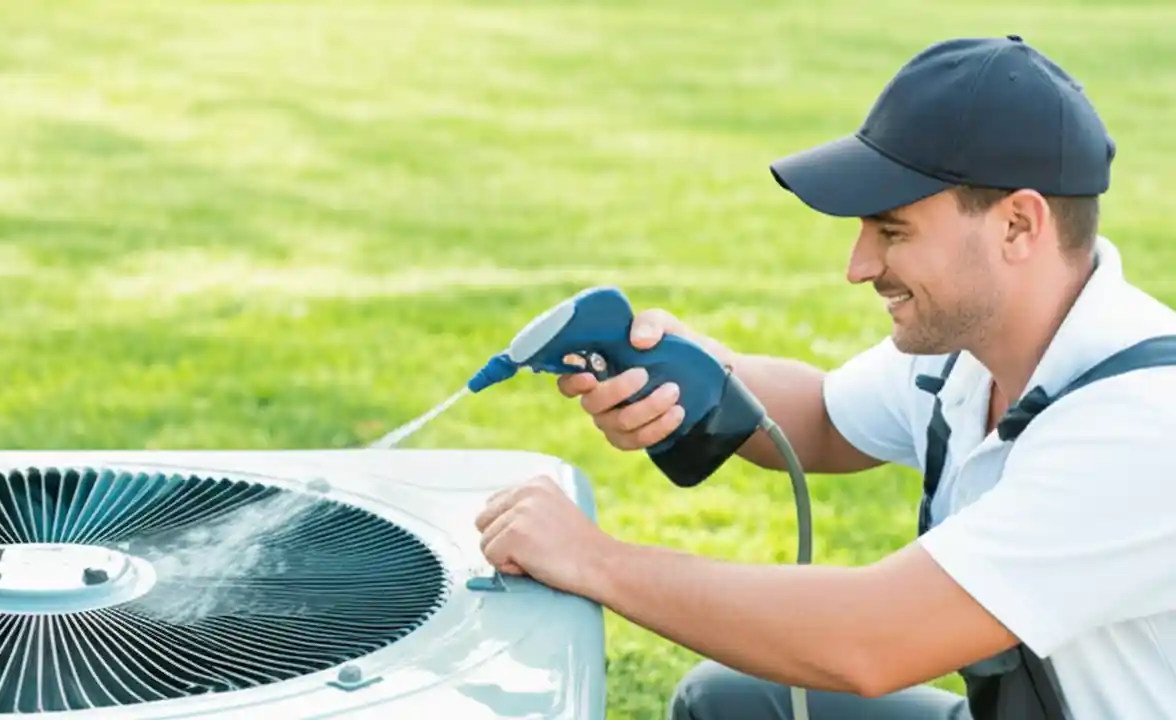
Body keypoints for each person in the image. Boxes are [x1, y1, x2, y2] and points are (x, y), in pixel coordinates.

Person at [473, 35, 1176, 720]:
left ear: (1018, 226)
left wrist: (594, 560)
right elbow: (823, 419)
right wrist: (687, 370)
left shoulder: (1141, 428)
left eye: (892, 232)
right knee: (731, 702)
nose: (858, 266)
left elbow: (871, 640)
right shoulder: (972, 346)